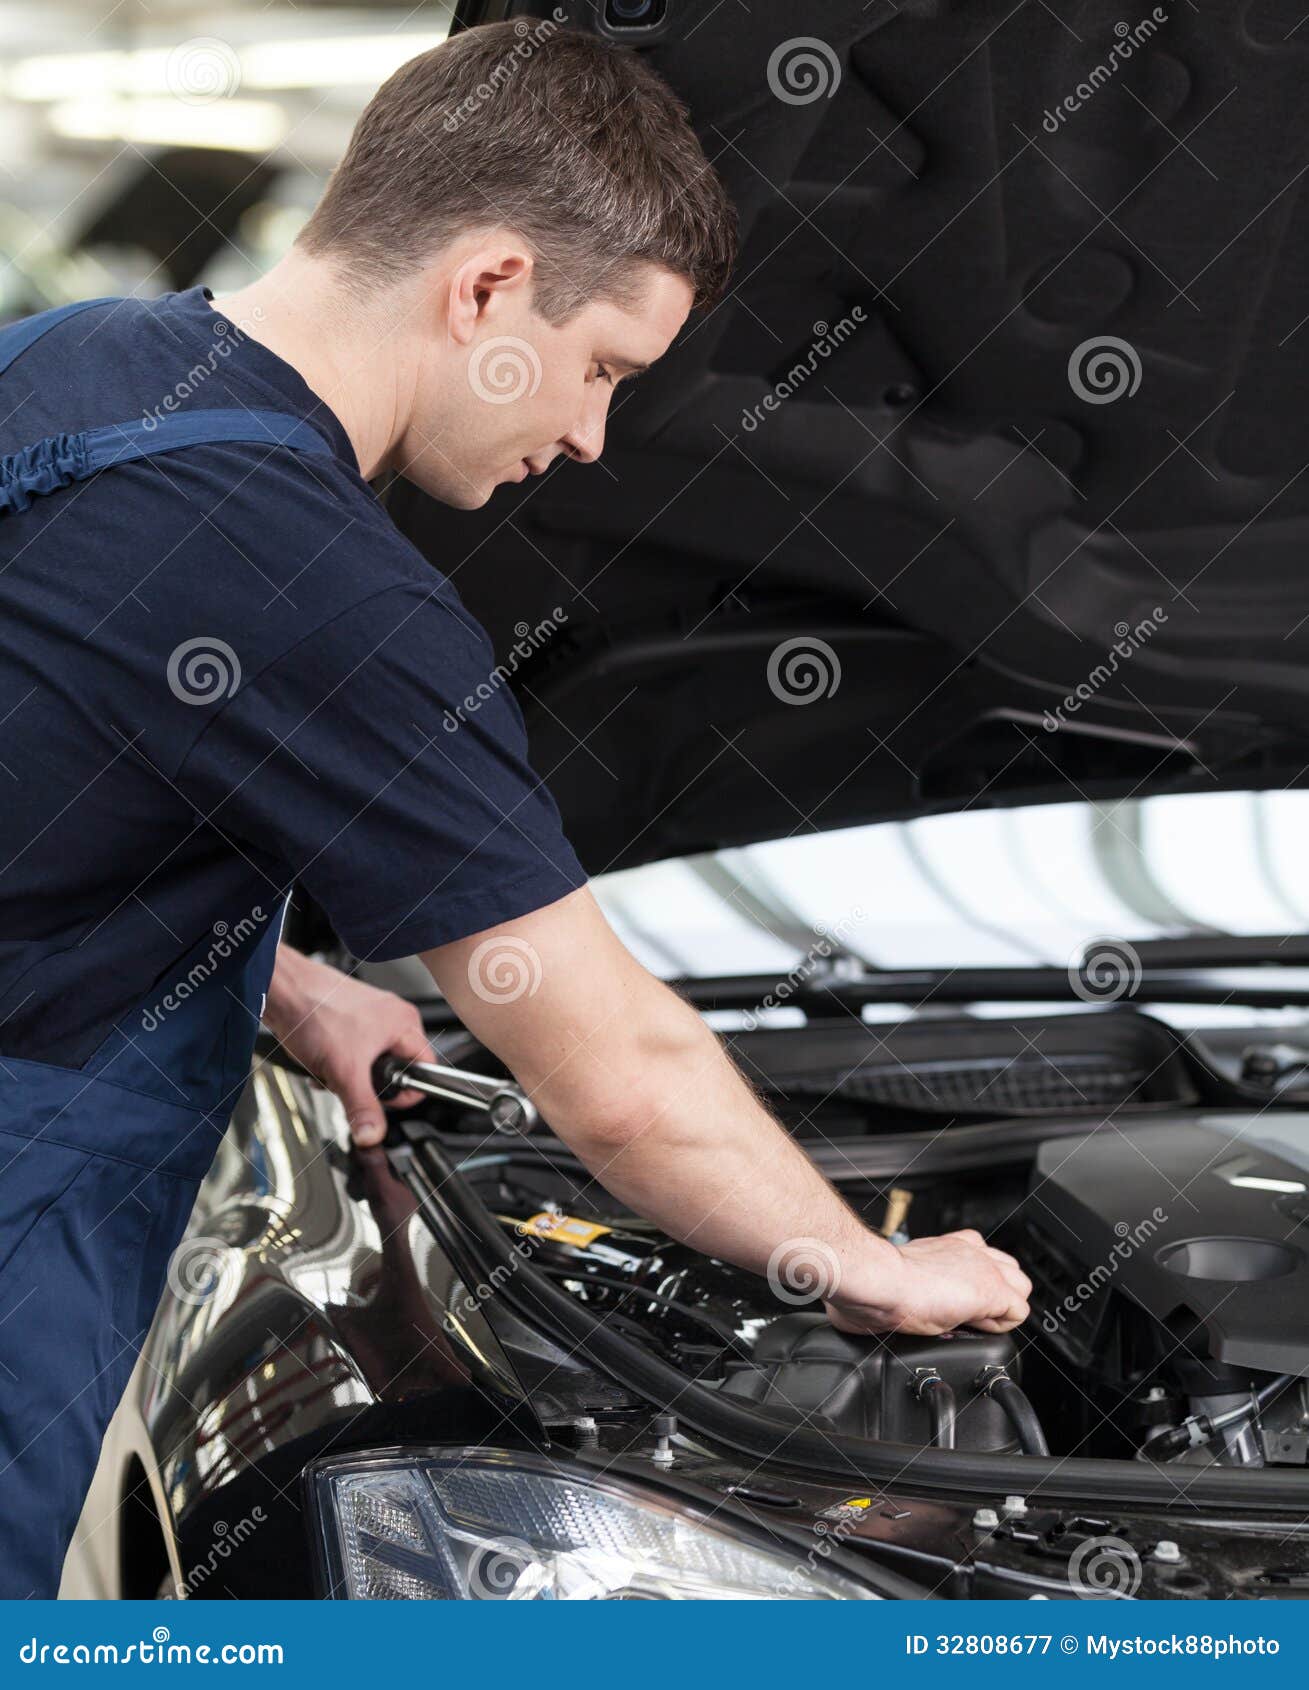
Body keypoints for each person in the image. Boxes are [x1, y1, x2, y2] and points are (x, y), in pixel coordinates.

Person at [0, 20, 1029, 1596]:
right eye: (603, 365)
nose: (593, 436)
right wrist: (873, 1265)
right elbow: (613, 1073)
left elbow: (56, 761)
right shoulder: (320, 589)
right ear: (485, 288)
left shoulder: (69, 359)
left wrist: (277, 979)